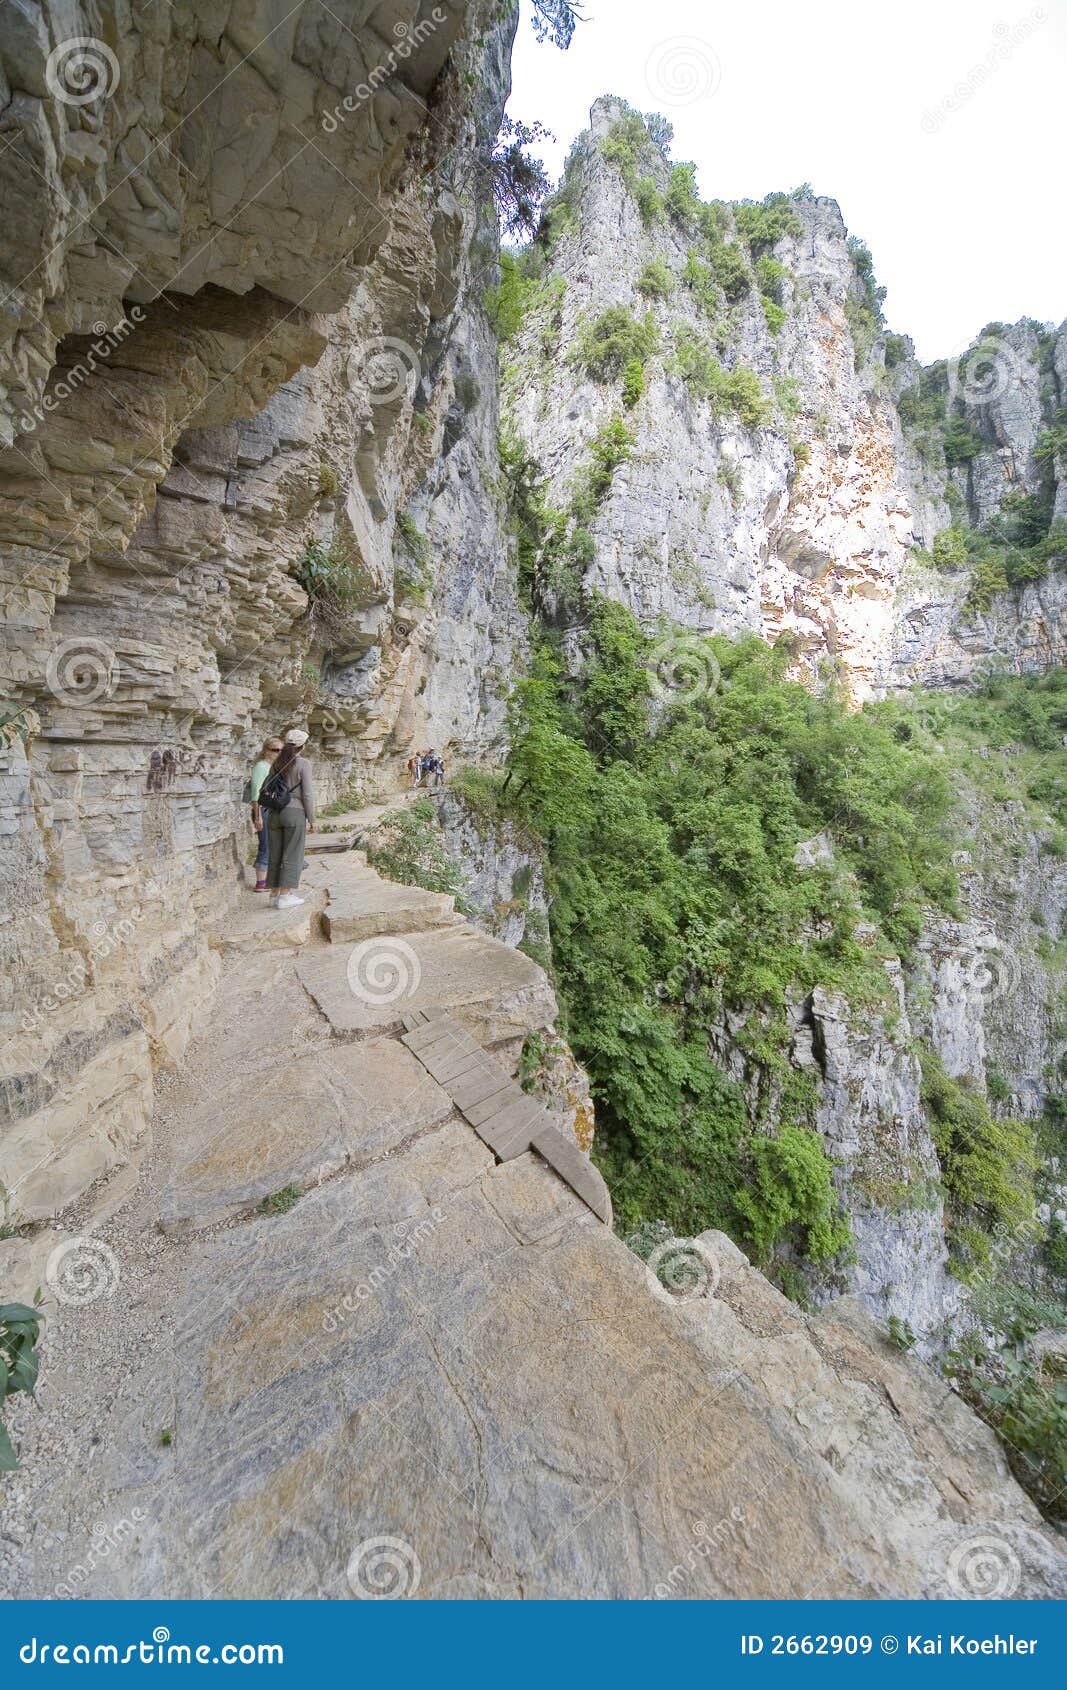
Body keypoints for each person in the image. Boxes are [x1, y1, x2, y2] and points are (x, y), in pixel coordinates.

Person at [264, 728, 315, 909]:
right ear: (302, 746)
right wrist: (312, 819)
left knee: (275, 853)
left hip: (274, 813)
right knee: (293, 854)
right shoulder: (303, 763)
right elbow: (307, 794)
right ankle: (285, 896)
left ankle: (274, 894)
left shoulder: (276, 762)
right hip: (294, 812)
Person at [249, 736, 283, 891]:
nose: (279, 753)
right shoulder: (261, 767)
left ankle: (267, 878)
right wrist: (257, 816)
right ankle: (261, 882)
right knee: (265, 844)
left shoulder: (273, 767)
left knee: (272, 844)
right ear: (266, 751)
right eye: (275, 750)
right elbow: (256, 793)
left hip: (271, 810)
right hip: (262, 810)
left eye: (281, 750)